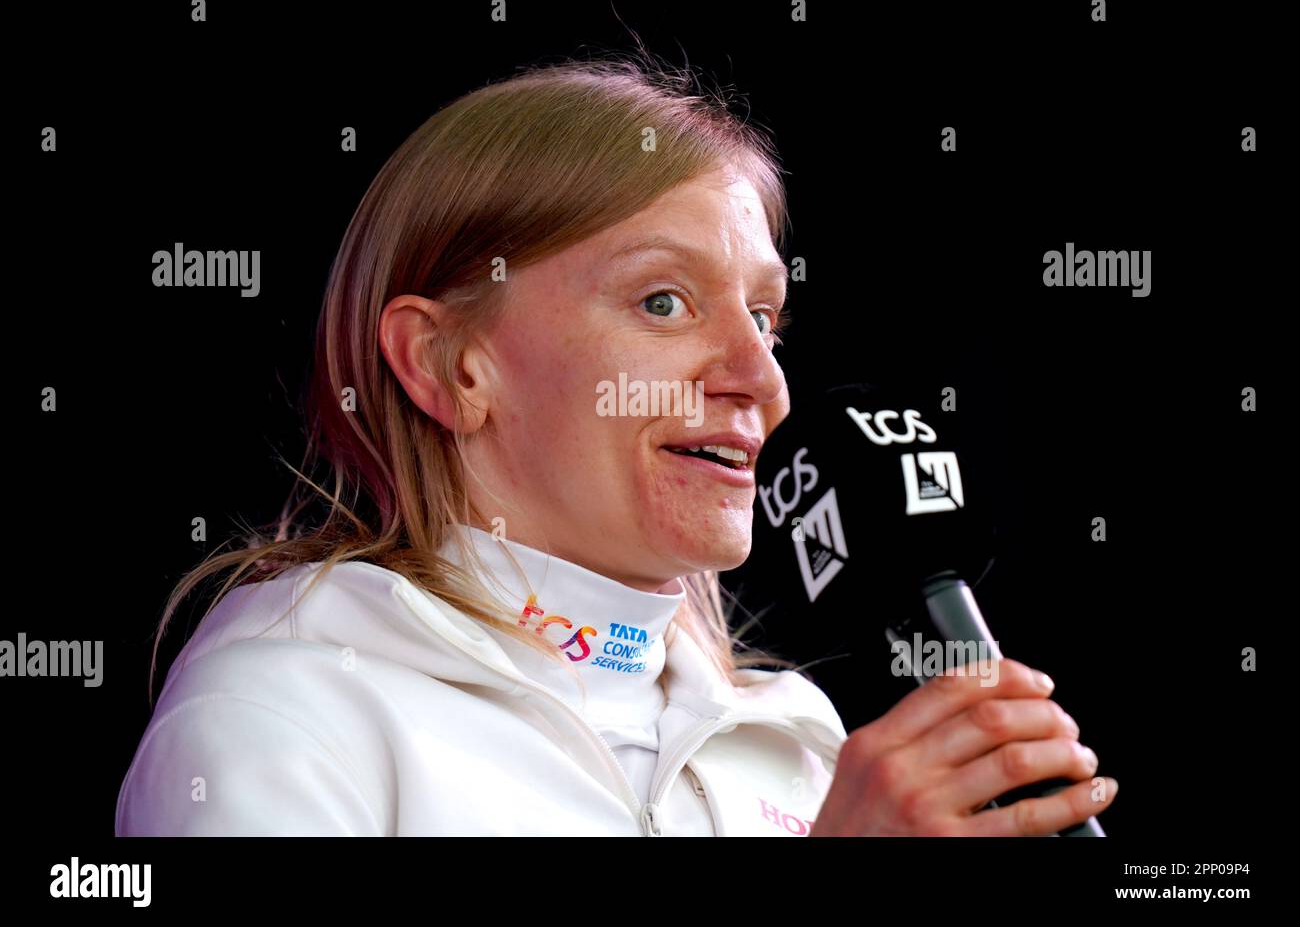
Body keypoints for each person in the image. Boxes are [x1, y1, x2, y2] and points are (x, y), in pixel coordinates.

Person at [115, 53, 1116, 837]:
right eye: (663, 300)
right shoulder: (287, 715)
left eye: (766, 318)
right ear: (450, 367)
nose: (759, 381)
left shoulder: (798, 745)